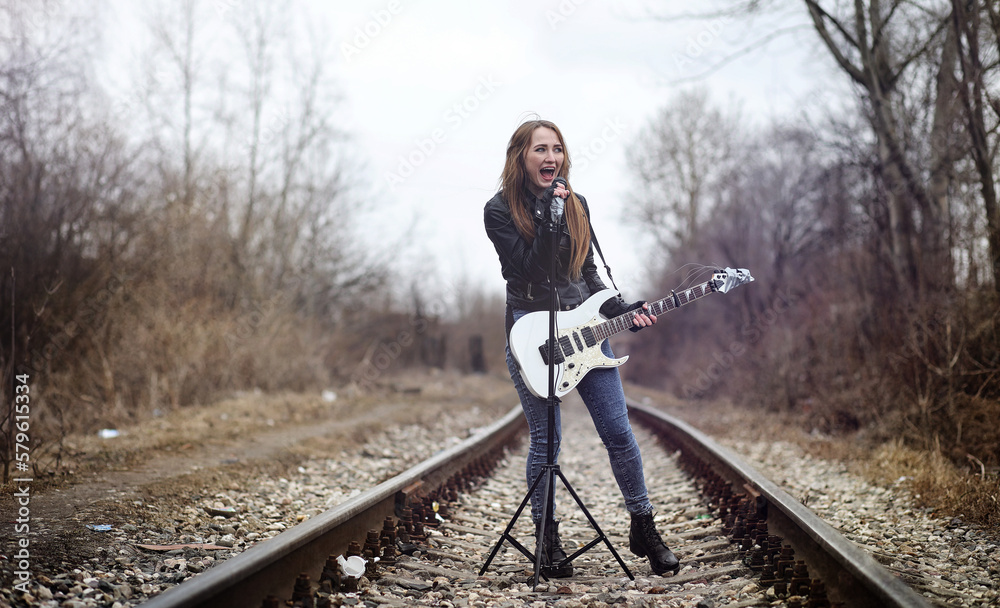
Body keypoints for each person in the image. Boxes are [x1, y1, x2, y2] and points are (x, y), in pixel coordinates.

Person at [483, 118, 680, 577]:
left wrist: (624, 308)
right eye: (540, 150)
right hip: (533, 335)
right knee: (546, 441)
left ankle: (644, 526)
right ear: (520, 157)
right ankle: (545, 537)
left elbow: (589, 276)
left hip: (587, 333)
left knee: (618, 432)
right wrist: (550, 218)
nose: (551, 157)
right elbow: (530, 271)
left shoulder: (577, 204)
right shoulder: (498, 211)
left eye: (557, 149)